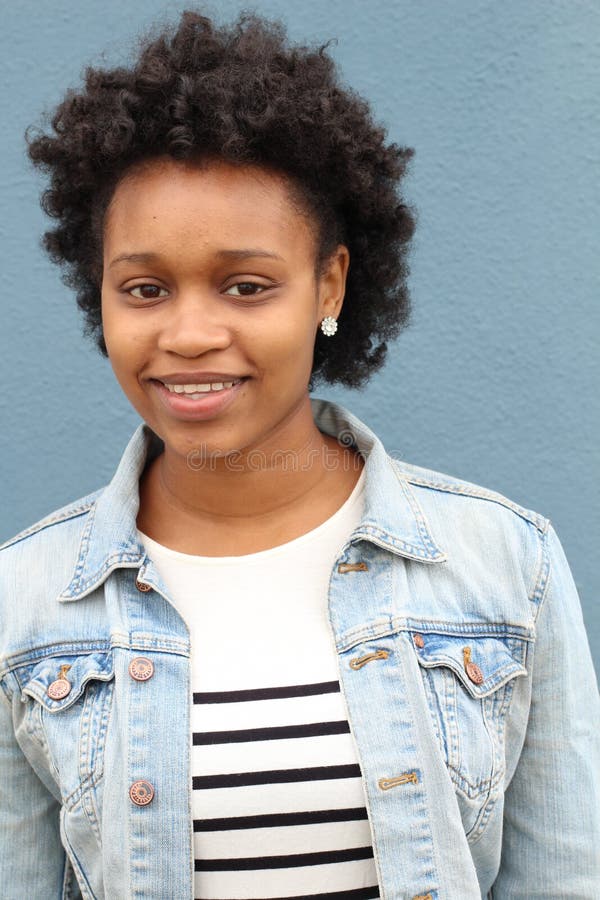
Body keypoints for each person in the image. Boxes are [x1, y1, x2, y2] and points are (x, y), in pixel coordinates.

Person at [1, 8, 598, 899]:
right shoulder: (25, 601)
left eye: (246, 286)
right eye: (145, 288)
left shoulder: (509, 565)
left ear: (330, 285)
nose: (190, 333)